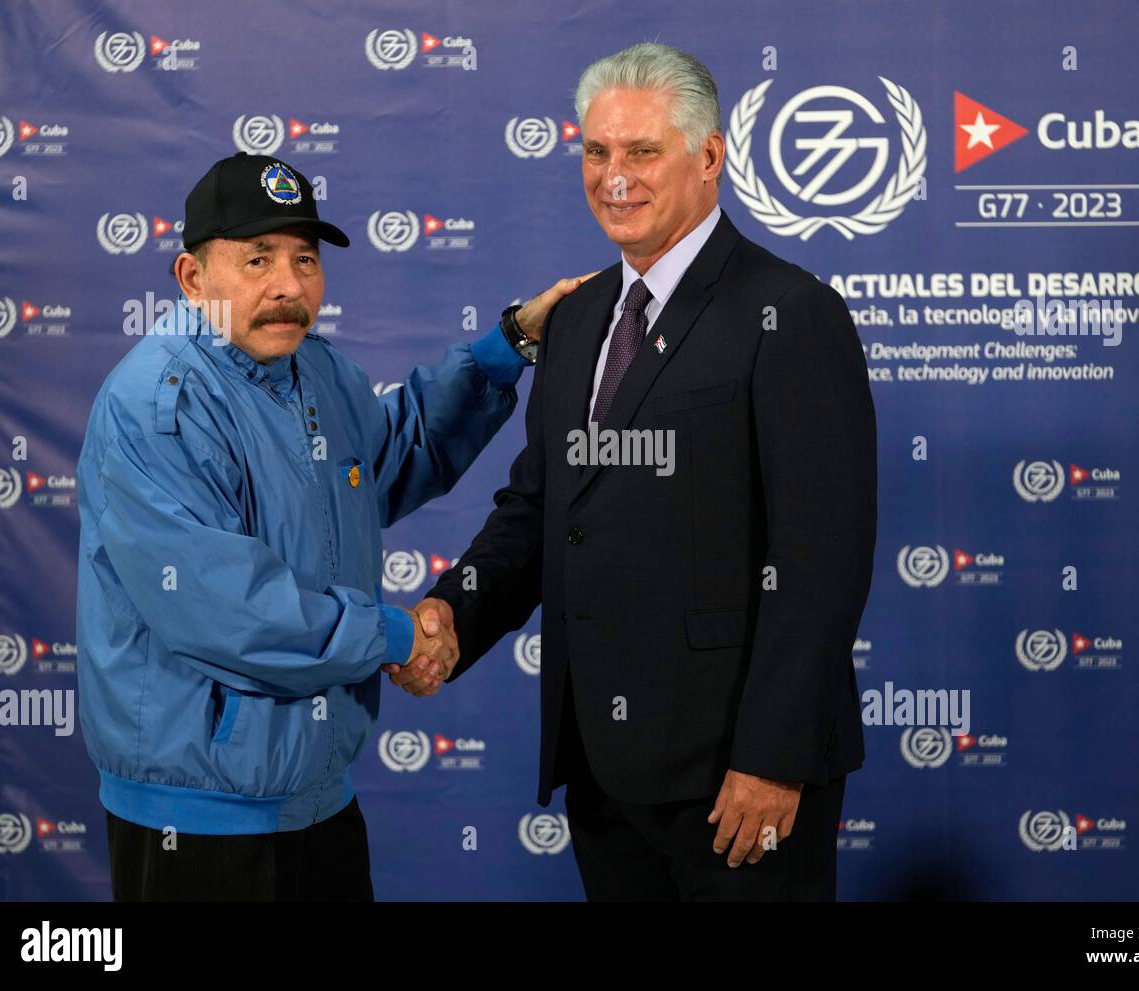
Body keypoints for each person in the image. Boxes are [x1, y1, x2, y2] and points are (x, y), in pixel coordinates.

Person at [389, 43, 878, 901]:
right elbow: (542, 507)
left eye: (642, 152)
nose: (615, 176)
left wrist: (771, 757)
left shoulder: (791, 313)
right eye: (597, 151)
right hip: (604, 769)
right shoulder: (573, 322)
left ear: (710, 158)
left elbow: (820, 564)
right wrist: (456, 611)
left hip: (735, 779)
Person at [76, 152, 586, 901]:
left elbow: (400, 453)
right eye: (257, 259)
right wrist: (400, 635)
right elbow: (230, 611)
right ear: (192, 278)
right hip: (201, 827)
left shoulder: (316, 372)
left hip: (320, 801)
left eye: (305, 259)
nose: (288, 286)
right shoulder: (158, 404)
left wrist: (505, 346)